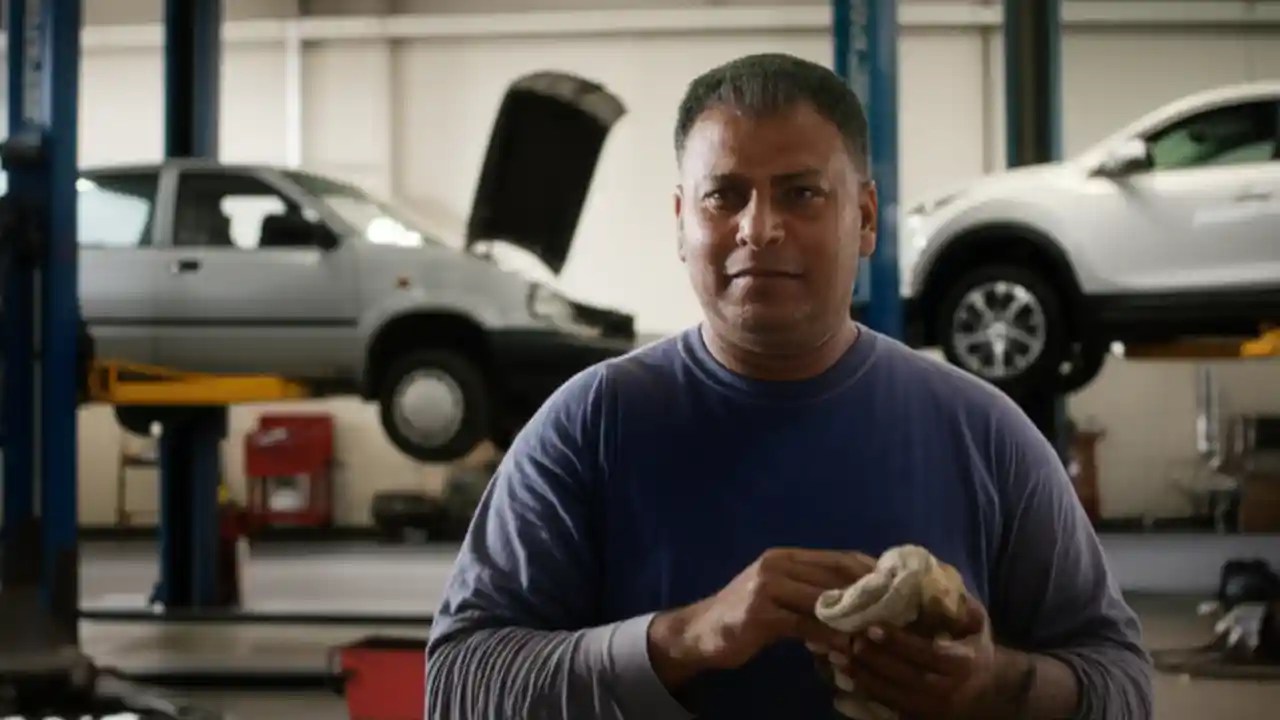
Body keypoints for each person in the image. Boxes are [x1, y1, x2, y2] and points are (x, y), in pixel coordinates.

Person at [424, 52, 1153, 719]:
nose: (759, 228)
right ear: (682, 222)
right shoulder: (591, 426)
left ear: (864, 219)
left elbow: (1121, 685)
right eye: (724, 196)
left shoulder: (984, 434)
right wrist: (687, 638)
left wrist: (990, 683)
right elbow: (459, 683)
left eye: (801, 194)